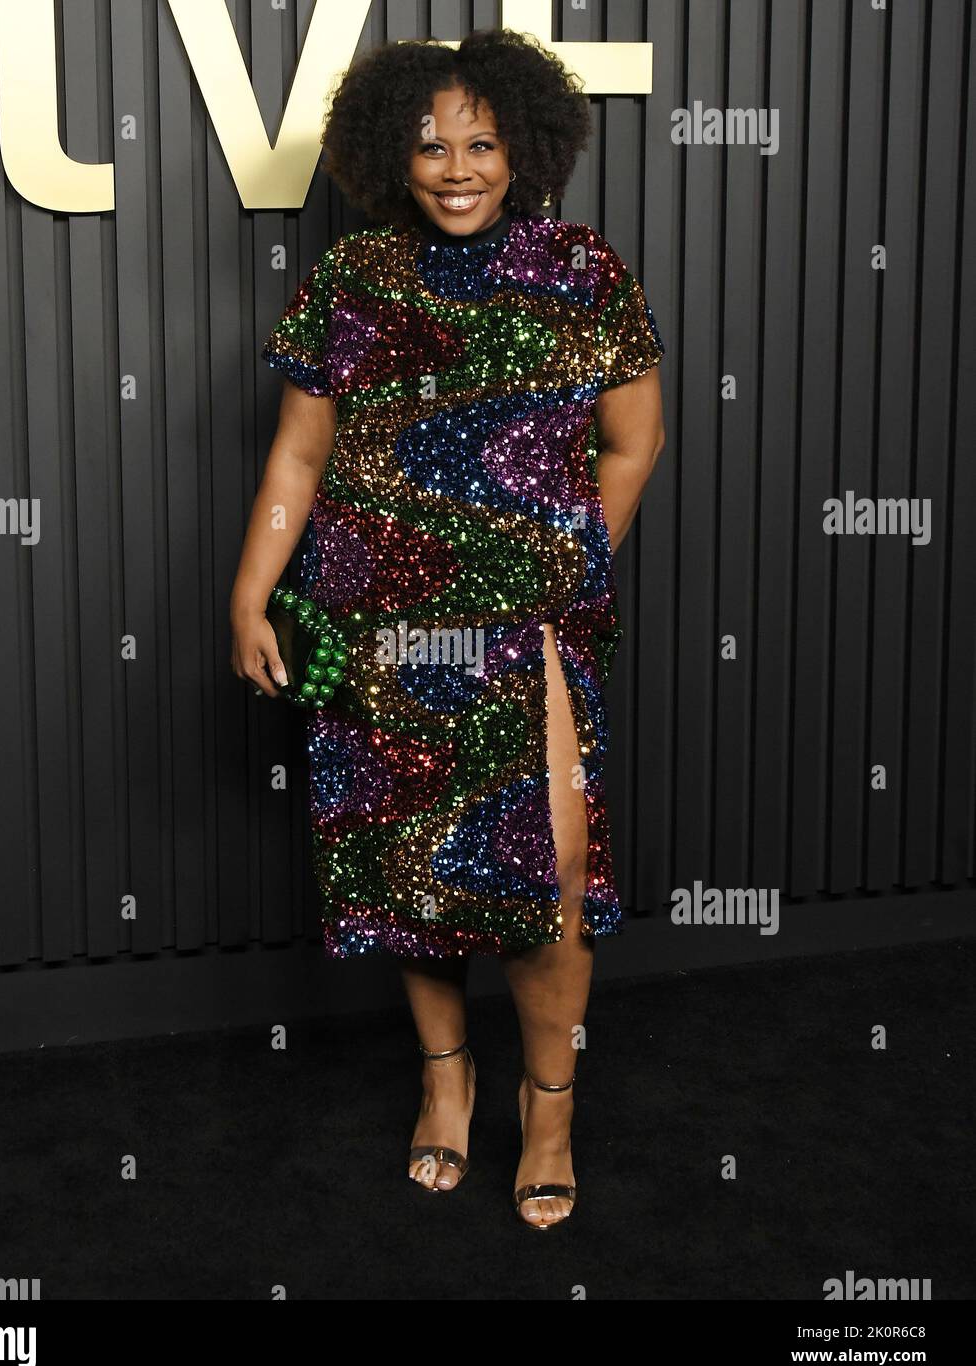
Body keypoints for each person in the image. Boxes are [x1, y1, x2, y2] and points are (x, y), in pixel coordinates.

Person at [230, 28, 666, 1229]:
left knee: (554, 881)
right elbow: (299, 453)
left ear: (522, 145)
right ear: (390, 155)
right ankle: (443, 1079)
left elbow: (633, 443)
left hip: (526, 636)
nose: (457, 167)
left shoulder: (583, 271)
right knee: (413, 868)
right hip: (379, 634)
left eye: (480, 142)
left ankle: (548, 1103)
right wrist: (250, 588)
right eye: (430, 146)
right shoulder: (354, 281)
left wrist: (559, 568)